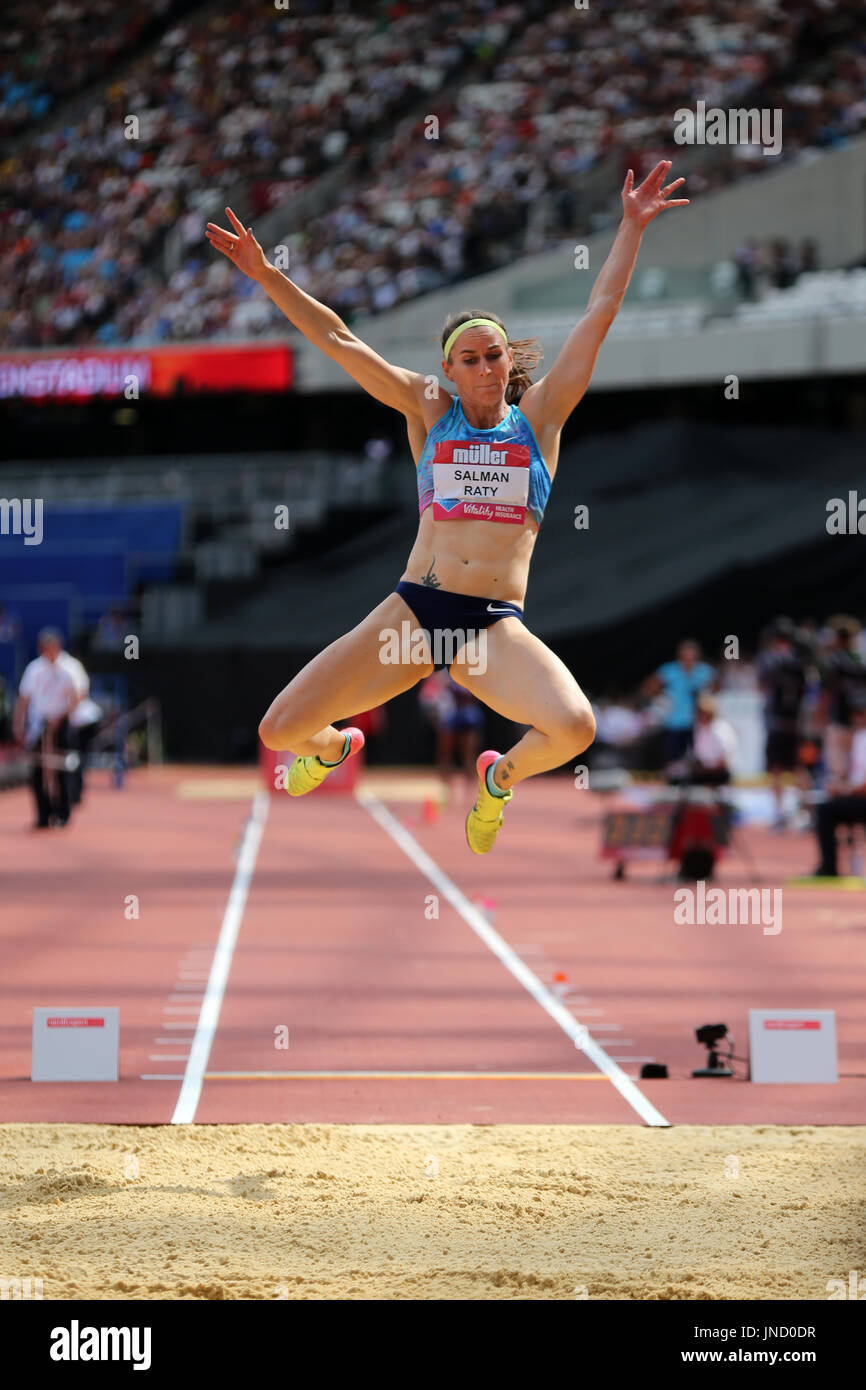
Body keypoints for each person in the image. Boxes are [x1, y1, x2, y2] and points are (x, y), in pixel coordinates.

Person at [208, 160, 689, 853]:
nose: (486, 366)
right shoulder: (427, 411)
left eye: (494, 354)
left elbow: (599, 312)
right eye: (469, 358)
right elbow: (340, 339)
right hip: (414, 612)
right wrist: (266, 275)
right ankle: (335, 746)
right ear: (449, 371)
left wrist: (631, 226)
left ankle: (498, 781)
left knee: (575, 727)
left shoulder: (540, 419)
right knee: (279, 731)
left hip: (490, 626)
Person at [13, 628, 79, 828]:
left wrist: (61, 717)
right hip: (38, 725)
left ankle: (63, 813)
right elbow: (24, 698)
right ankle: (43, 814)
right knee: (37, 770)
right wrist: (19, 723)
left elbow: (76, 697)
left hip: (60, 723)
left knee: (61, 769)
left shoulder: (68, 668)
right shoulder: (34, 669)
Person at [758, 618, 809, 829]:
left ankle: (788, 812)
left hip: (781, 723)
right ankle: (802, 812)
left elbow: (762, 685)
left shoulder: (772, 661)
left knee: (781, 769)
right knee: (795, 768)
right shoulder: (799, 663)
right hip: (793, 723)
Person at [812, 697, 866, 877]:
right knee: (826, 806)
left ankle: (829, 867)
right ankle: (829, 866)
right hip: (858, 796)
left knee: (825, 811)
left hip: (861, 799)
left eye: (860, 714)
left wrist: (844, 790)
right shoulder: (859, 738)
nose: (856, 718)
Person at [643, 640, 716, 767]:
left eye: (691, 656)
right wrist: (660, 700)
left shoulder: (704, 671)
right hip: (674, 722)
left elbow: (716, 687)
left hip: (697, 724)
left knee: (697, 757)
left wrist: (706, 699)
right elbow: (649, 686)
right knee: (673, 758)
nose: (688, 660)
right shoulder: (669, 670)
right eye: (685, 656)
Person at [56, 643, 102, 805]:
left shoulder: (72, 670)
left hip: (84, 723)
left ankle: (75, 793)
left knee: (75, 759)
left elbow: (79, 697)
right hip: (79, 723)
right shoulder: (70, 671)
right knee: (75, 760)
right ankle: (74, 793)